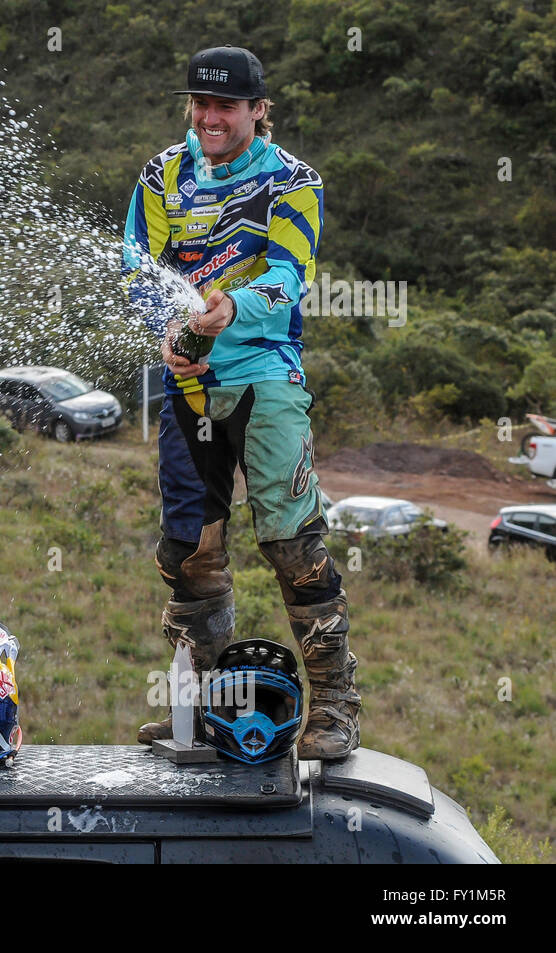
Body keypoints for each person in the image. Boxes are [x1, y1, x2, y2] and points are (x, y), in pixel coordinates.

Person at [122, 46, 360, 760]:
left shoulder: (292, 181)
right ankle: (199, 709)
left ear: (260, 110)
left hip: (264, 375)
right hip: (186, 381)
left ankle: (337, 707)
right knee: (188, 551)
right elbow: (138, 263)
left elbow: (294, 272)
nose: (210, 117)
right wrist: (165, 326)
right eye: (200, 103)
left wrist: (235, 307)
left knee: (292, 543)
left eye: (226, 106)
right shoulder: (164, 172)